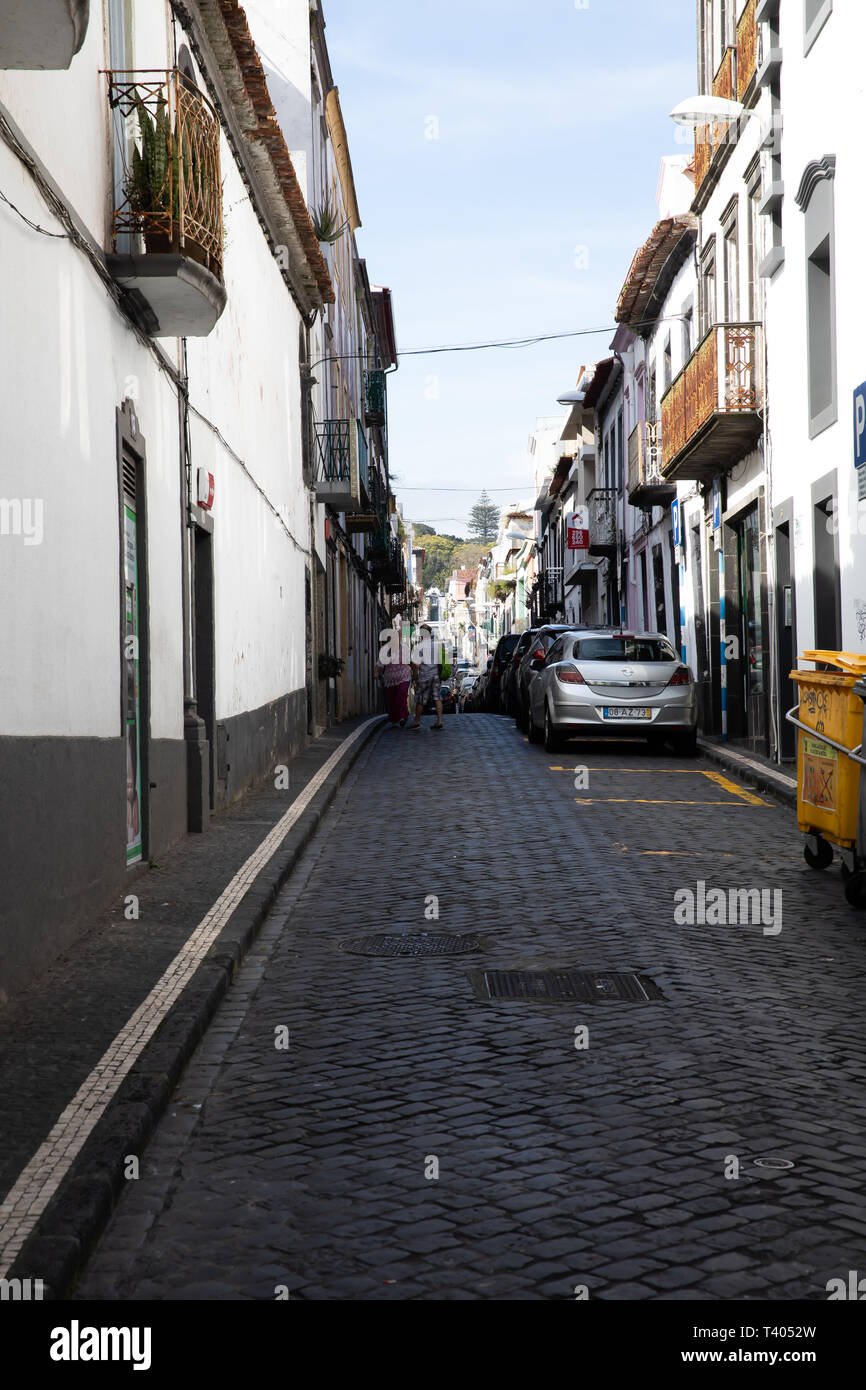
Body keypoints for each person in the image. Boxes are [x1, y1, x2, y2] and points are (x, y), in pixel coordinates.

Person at [410, 625, 444, 731]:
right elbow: (442, 661)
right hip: (436, 675)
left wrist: (415, 677)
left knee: (421, 700)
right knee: (437, 698)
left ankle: (416, 722)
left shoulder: (419, 647)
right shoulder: (437, 645)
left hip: (425, 676)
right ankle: (439, 721)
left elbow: (416, 665)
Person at [377, 642, 411, 729]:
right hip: (390, 680)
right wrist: (375, 672)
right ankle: (395, 720)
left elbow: (411, 661)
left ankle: (403, 717)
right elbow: (379, 664)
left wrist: (415, 673)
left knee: (401, 696)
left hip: (404, 677)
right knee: (391, 700)